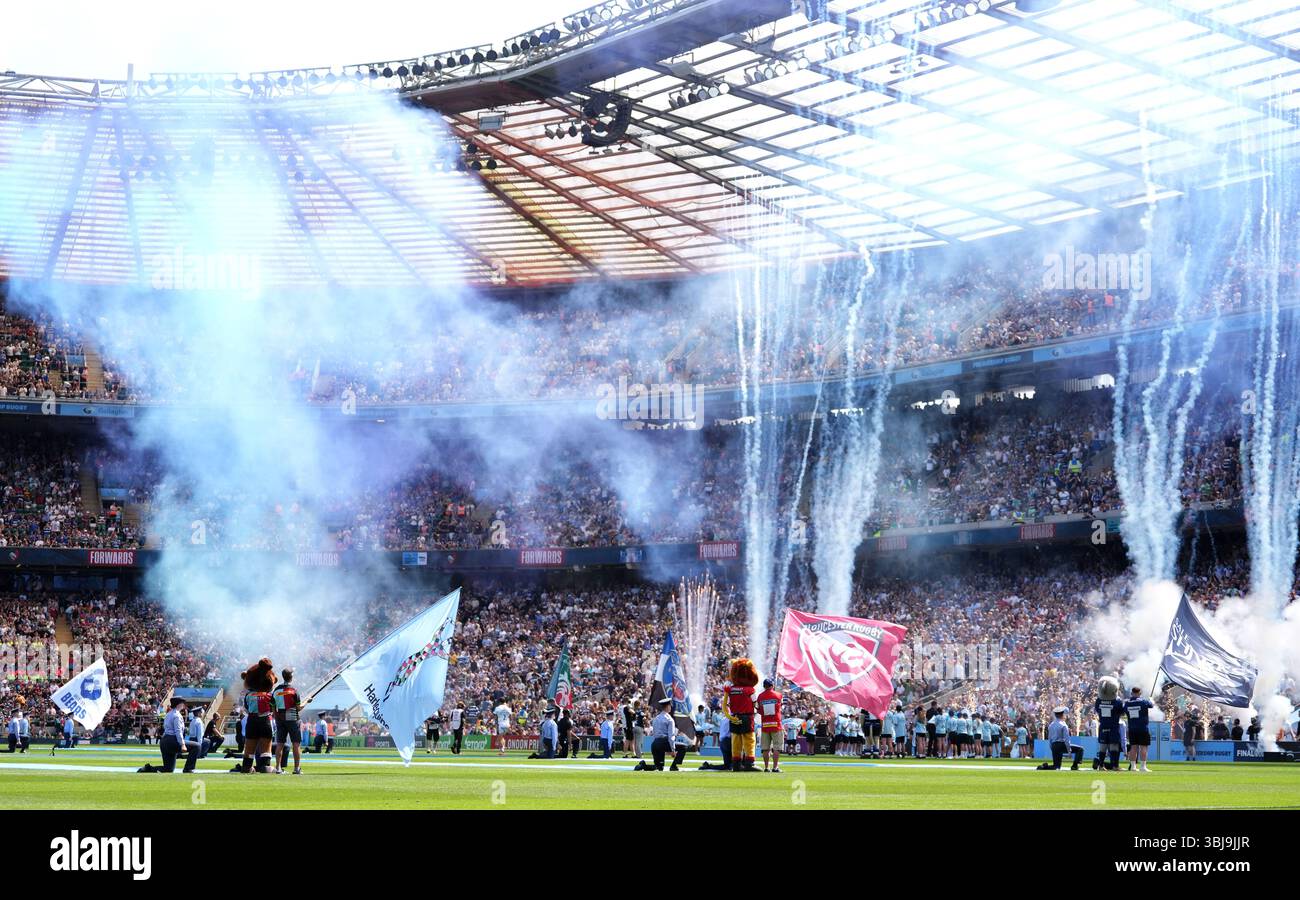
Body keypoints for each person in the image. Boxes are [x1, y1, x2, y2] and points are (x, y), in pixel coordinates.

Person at [235, 658, 278, 774]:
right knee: (266, 745)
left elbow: (247, 708)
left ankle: (247, 767)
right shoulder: (269, 695)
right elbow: (273, 709)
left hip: (252, 721)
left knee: (249, 745)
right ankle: (265, 766)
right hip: (265, 720)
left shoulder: (248, 695)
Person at [140, 697, 198, 774]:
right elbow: (178, 731)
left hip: (165, 741)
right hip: (172, 740)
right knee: (197, 746)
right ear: (179, 704)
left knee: (168, 769)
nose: (183, 705)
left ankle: (148, 768)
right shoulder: (177, 715)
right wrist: (183, 744)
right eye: (182, 703)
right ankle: (188, 769)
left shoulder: (168, 714)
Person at [272, 667, 303, 775]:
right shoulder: (294, 690)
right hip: (292, 717)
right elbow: (298, 708)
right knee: (296, 743)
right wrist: (306, 702)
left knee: (280, 743)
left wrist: (276, 717)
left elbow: (273, 707)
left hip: (280, 718)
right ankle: (296, 768)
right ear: (291, 677)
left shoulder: (276, 690)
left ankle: (278, 768)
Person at [634, 697, 679, 771]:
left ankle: (643, 766)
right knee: (683, 748)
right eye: (670, 706)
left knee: (658, 767)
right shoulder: (670, 719)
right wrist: (673, 750)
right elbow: (671, 736)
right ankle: (674, 766)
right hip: (664, 742)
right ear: (668, 706)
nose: (671, 707)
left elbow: (655, 734)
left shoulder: (656, 718)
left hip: (655, 744)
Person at [1038, 705, 1082, 771]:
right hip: (1061, 744)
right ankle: (1075, 765)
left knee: (1056, 766)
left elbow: (1050, 738)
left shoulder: (1051, 725)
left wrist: (1052, 747)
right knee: (1080, 749)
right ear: (1063, 715)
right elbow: (1067, 739)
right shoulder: (1063, 725)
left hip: (1054, 745)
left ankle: (1044, 767)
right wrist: (1069, 750)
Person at [1122, 686, 1153, 773]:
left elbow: (1124, 710)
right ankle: (1143, 767)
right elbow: (1151, 705)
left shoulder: (1127, 703)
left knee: (1133, 747)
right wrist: (1150, 700)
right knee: (1143, 747)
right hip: (1142, 728)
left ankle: (1133, 767)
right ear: (1139, 693)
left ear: (1132, 693)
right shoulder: (1143, 701)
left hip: (1132, 728)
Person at [755, 678, 783, 773]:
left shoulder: (760, 696)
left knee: (765, 748)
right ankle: (775, 767)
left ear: (764, 686)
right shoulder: (778, 695)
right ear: (772, 685)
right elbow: (780, 706)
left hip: (765, 725)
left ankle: (766, 767)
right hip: (776, 725)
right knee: (777, 747)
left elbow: (758, 710)